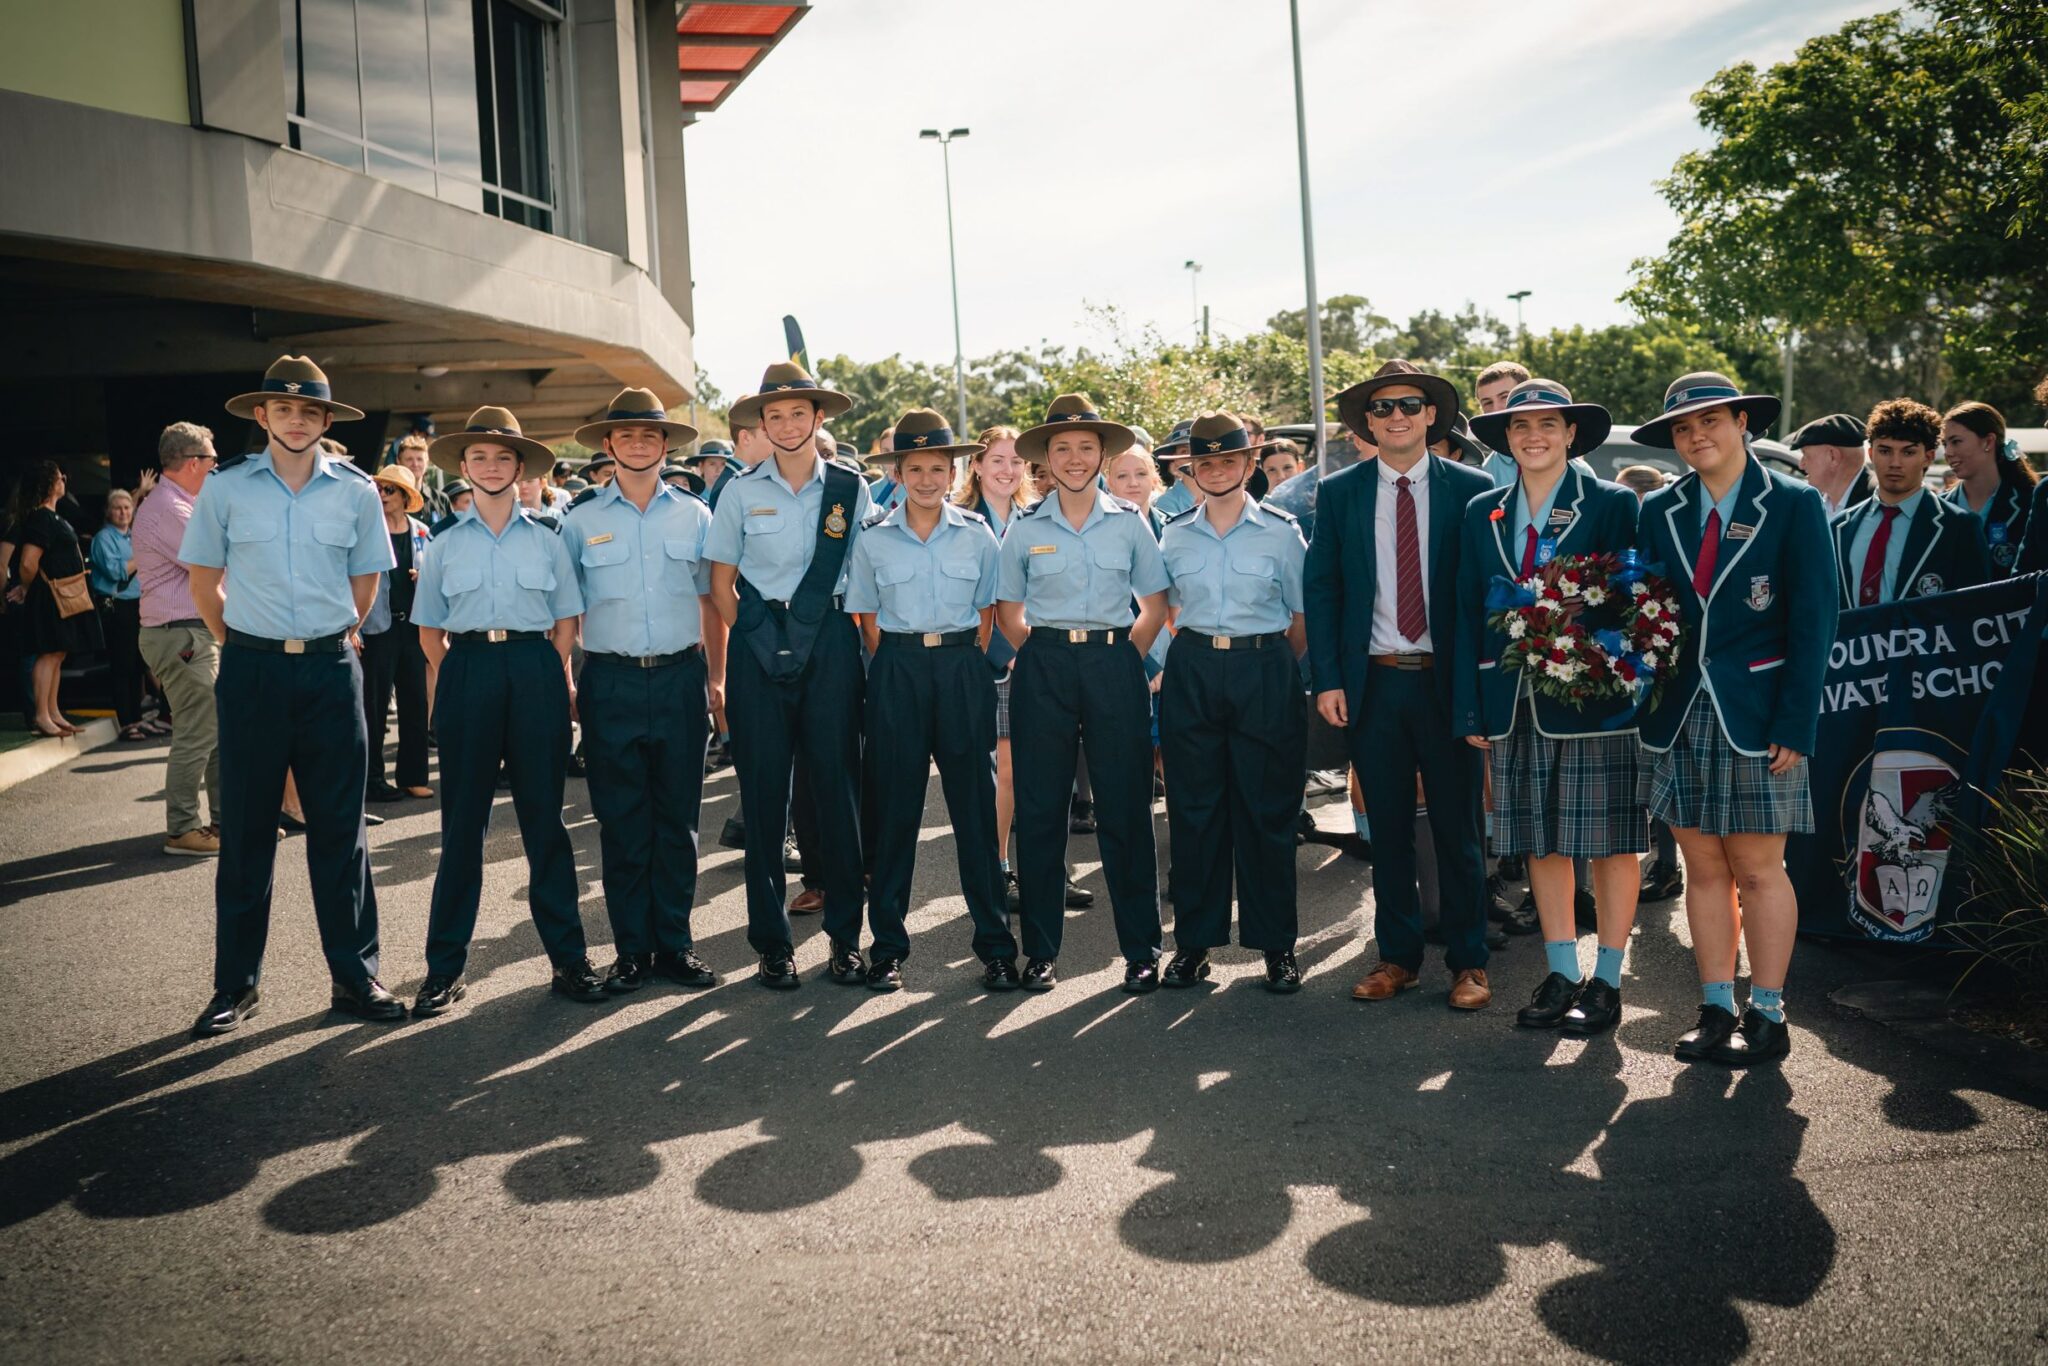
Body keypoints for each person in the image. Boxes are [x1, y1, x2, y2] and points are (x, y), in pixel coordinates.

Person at [179, 356, 400, 1036]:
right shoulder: (227, 489)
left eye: (310, 411)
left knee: (341, 832)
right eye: (284, 409)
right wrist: (247, 644)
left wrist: (325, 639)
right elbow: (203, 579)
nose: (297, 420)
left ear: (326, 421)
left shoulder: (358, 492)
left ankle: (355, 976)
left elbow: (364, 589)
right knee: (247, 830)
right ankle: (235, 987)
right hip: (253, 672)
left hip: (332, 671)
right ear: (262, 416)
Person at [1632, 371, 1835, 1066]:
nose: (1696, 437)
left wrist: (1796, 723)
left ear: (1742, 421)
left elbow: (1815, 621)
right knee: (1702, 868)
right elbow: (1647, 611)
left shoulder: (1795, 503)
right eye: (1683, 429)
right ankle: (1716, 1007)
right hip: (1681, 713)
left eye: (1709, 421)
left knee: (1759, 869)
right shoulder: (1659, 509)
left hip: (1758, 713)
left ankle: (1769, 1013)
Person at [1305, 360, 1494, 1011]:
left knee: (1458, 830)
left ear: (1431, 415)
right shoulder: (1340, 493)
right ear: (1368, 423)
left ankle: (1470, 962)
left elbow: (1483, 598)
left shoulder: (1473, 490)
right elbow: (1323, 591)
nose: (1396, 416)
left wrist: (1484, 690)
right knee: (1384, 831)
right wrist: (1328, 679)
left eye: (1409, 405)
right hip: (1375, 686)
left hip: (1449, 686)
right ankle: (1398, 958)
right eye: (1382, 408)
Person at [1456, 379, 1644, 1036]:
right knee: (1540, 842)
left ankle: (1609, 980)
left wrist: (1603, 654)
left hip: (1594, 701)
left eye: (1547, 425)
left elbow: (1637, 600)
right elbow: (1465, 613)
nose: (1533, 437)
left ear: (1570, 434)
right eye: (1518, 427)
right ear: (1506, 439)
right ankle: (1562, 970)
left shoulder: (1614, 502)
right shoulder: (1483, 509)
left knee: (1613, 844)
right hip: (1512, 703)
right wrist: (1470, 707)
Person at [408, 405, 604, 1017]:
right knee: (462, 826)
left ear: (521, 468)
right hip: (467, 669)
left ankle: (569, 959)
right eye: (478, 457)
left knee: (545, 824)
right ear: (463, 468)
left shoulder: (548, 539)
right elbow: (428, 634)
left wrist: (550, 673)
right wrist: (460, 681)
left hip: (534, 668)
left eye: (503, 457)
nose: (491, 466)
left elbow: (567, 619)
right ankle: (444, 969)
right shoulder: (443, 544)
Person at [995, 393, 1171, 993]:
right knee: (1041, 812)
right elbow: (1008, 610)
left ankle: (1142, 951)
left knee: (1125, 811)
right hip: (1043, 663)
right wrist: (1043, 653)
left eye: (1086, 448)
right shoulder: (1025, 527)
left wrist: (1125, 656)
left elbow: (1155, 604)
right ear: (1045, 458)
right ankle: (1040, 950)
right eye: (1062, 448)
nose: (1075, 458)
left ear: (1103, 454)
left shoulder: (1129, 522)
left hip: (1113, 662)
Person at [704, 362, 872, 989]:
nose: (787, 424)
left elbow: (866, 575)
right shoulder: (740, 491)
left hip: (829, 641)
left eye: (799, 413)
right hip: (756, 642)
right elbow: (720, 583)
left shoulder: (849, 490)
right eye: (774, 416)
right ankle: (772, 944)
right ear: (762, 425)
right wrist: (754, 637)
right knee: (766, 798)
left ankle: (847, 939)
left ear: (818, 418)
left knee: (837, 795)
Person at [845, 409, 1014, 990]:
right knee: (894, 814)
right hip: (897, 669)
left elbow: (991, 617)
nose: (924, 479)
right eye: (913, 467)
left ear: (952, 470)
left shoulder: (976, 533)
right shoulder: (873, 540)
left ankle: (995, 945)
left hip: (962, 668)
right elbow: (867, 620)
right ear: (897, 470)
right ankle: (888, 947)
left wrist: (957, 658)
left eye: (936, 468)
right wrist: (903, 658)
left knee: (975, 811)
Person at [563, 388, 724, 994]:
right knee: (622, 821)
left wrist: (716, 676)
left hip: (681, 675)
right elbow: (565, 611)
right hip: (611, 679)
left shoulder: (696, 514)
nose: (638, 444)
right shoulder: (580, 521)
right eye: (626, 435)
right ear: (609, 445)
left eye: (649, 436)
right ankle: (632, 950)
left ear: (665, 446)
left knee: (678, 820)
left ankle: (676, 945)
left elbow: (712, 601)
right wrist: (568, 677)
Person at [1157, 413, 1309, 993]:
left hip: (1265, 666)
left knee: (1267, 812)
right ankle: (1194, 945)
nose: (1218, 471)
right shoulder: (1173, 532)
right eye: (1206, 463)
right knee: (1195, 811)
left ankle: (1276, 947)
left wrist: (1261, 661)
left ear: (1250, 465)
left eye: (1229, 460)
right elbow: (1164, 607)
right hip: (1194, 665)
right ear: (1191, 470)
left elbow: (1300, 619)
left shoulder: (1281, 530)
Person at [954, 423, 1037, 905]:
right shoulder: (960, 518)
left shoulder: (1036, 518)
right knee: (1003, 770)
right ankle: (1000, 867)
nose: (1008, 470)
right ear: (978, 466)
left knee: (1039, 770)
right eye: (998, 460)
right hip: (987, 659)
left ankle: (1042, 867)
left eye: (1016, 461)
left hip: (1038, 660)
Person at [135, 422, 224, 855]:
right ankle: (183, 829)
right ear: (193, 463)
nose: (216, 466)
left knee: (214, 730)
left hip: (188, 632)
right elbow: (213, 566)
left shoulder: (176, 503)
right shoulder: (172, 508)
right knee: (197, 731)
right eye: (212, 460)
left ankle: (224, 823)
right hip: (182, 633)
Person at [1830, 398, 1991, 609]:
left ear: (1928, 457)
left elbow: (1977, 610)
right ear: (1871, 454)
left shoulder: (1960, 526)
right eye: (1885, 451)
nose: (1895, 463)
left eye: (1908, 452)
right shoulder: (1840, 526)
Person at [1614, 462, 1683, 899]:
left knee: (1661, 769)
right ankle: (1659, 861)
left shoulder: (1661, 536)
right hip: (1621, 663)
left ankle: (1667, 864)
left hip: (1660, 666)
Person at [8, 461, 103, 737]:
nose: (64, 479)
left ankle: (53, 711)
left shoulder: (54, 516)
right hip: (49, 595)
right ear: (48, 483)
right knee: (48, 653)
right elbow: (28, 562)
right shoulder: (40, 517)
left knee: (58, 653)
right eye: (59, 476)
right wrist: (28, 588)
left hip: (59, 595)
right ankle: (41, 714)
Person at [361, 463, 433, 801]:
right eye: (378, 489)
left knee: (415, 704)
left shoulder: (421, 531)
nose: (382, 495)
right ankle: (372, 780)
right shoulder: (367, 529)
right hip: (377, 628)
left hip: (414, 628)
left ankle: (413, 776)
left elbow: (436, 570)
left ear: (405, 496)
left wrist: (426, 577)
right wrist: (354, 625)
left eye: (389, 490)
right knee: (373, 708)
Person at [1941, 401, 2037, 575]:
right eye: (1944, 444)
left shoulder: (2029, 503)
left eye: (1956, 442)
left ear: (1988, 441)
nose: (1947, 452)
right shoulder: (1937, 510)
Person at [90, 487, 150, 740]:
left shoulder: (134, 536)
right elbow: (118, 572)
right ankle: (126, 722)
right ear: (108, 511)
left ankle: (137, 719)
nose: (123, 512)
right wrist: (142, 554)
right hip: (116, 605)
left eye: (127, 507)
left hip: (139, 604)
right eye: (118, 507)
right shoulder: (104, 538)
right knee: (122, 665)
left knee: (137, 664)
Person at [1785, 413, 1873, 518]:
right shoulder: (1814, 501)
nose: (1801, 465)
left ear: (1833, 457)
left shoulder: (1878, 501)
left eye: (1805, 455)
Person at [387, 432, 448, 519]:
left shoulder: (442, 500)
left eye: (420, 459)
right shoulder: (387, 499)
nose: (415, 464)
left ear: (427, 463)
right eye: (409, 459)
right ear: (398, 461)